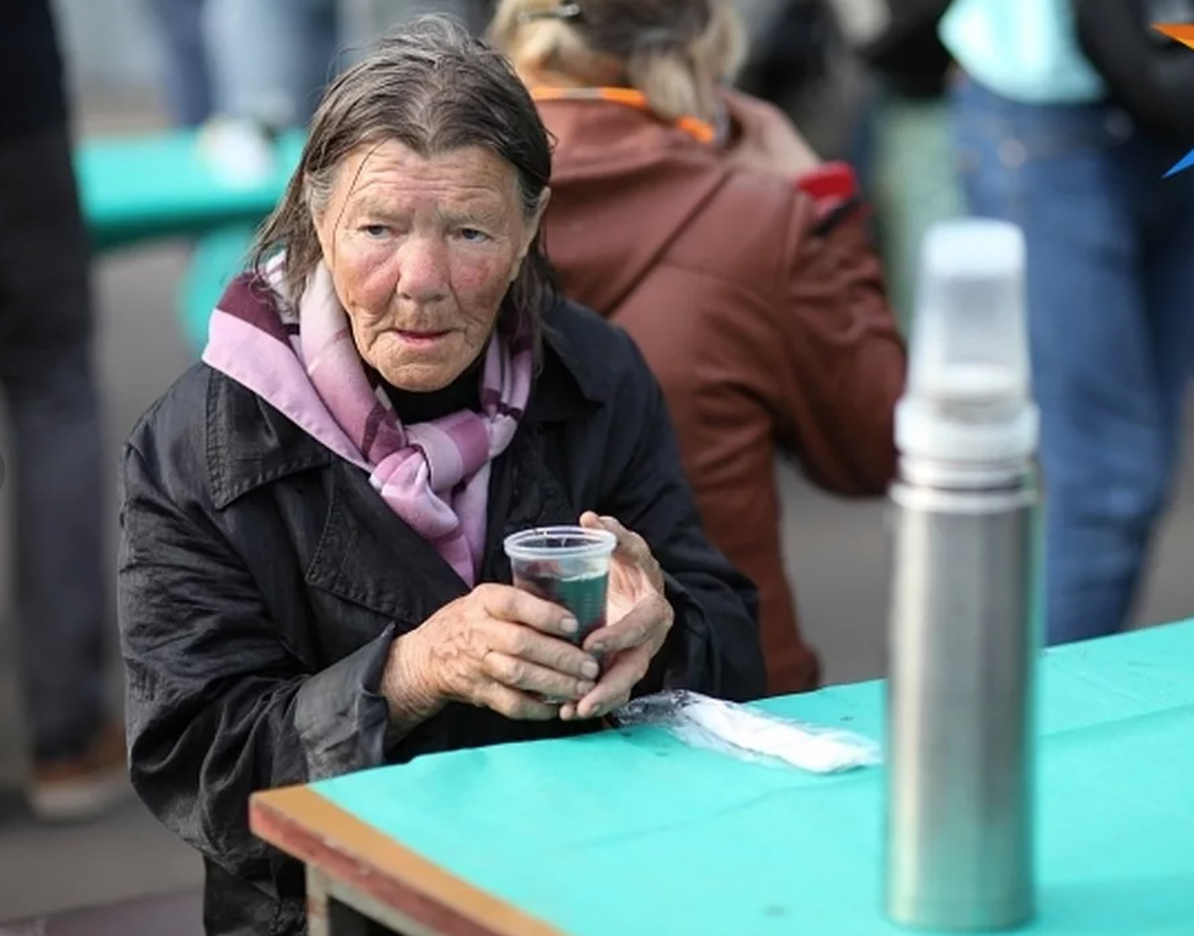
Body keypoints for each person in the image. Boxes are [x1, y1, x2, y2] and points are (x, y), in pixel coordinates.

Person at [118, 16, 766, 935]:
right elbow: (201, 770)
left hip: (590, 880)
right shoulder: (199, 444)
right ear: (316, 214)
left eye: (469, 231)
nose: (421, 280)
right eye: (378, 227)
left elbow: (737, 646)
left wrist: (659, 633)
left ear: (531, 222)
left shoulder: (593, 375)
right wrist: (412, 672)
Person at [490, 0, 906, 695]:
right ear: (704, 51)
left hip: (500, 704)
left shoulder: (436, 209)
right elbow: (885, 443)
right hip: (728, 689)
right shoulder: (758, 219)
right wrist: (822, 198)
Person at [942, 0, 1194, 644]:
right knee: (1109, 485)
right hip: (1047, 113)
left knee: (1131, 479)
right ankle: (1042, 727)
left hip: (1166, 108)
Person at [0, 0, 126, 821]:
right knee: (52, 394)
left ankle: (71, 731)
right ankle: (67, 734)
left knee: (53, 397)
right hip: (11, 97)